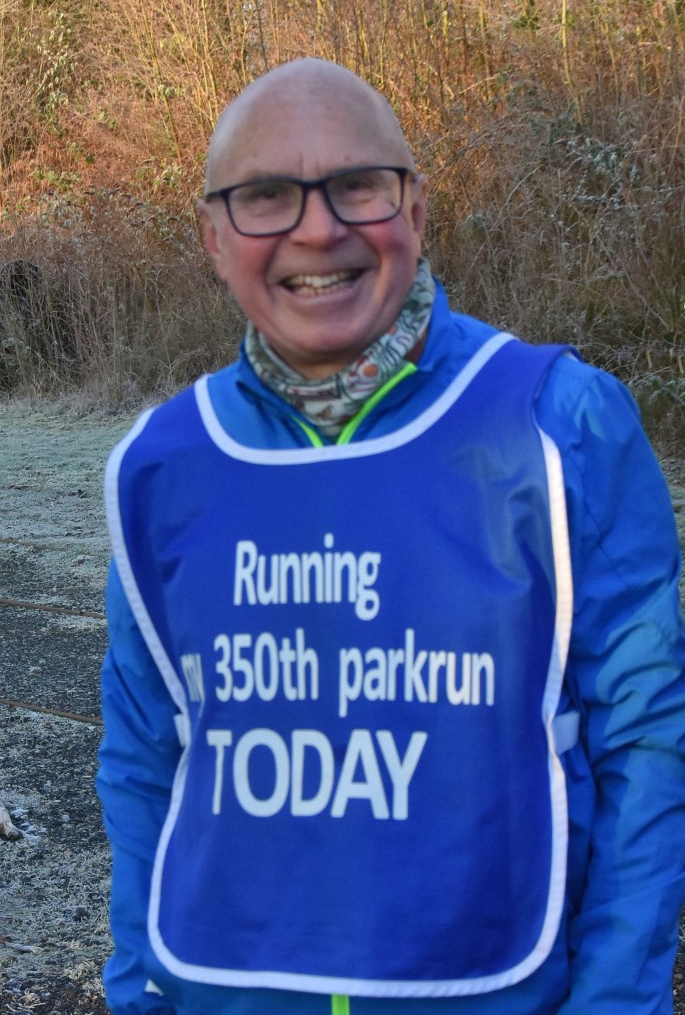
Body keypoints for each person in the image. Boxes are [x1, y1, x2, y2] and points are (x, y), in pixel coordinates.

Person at [97, 58, 685, 1015]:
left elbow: (649, 740)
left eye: (356, 186)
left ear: (414, 209)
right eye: (266, 196)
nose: (317, 227)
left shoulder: (559, 423)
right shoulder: (162, 465)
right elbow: (144, 756)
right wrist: (141, 991)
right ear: (211, 237)